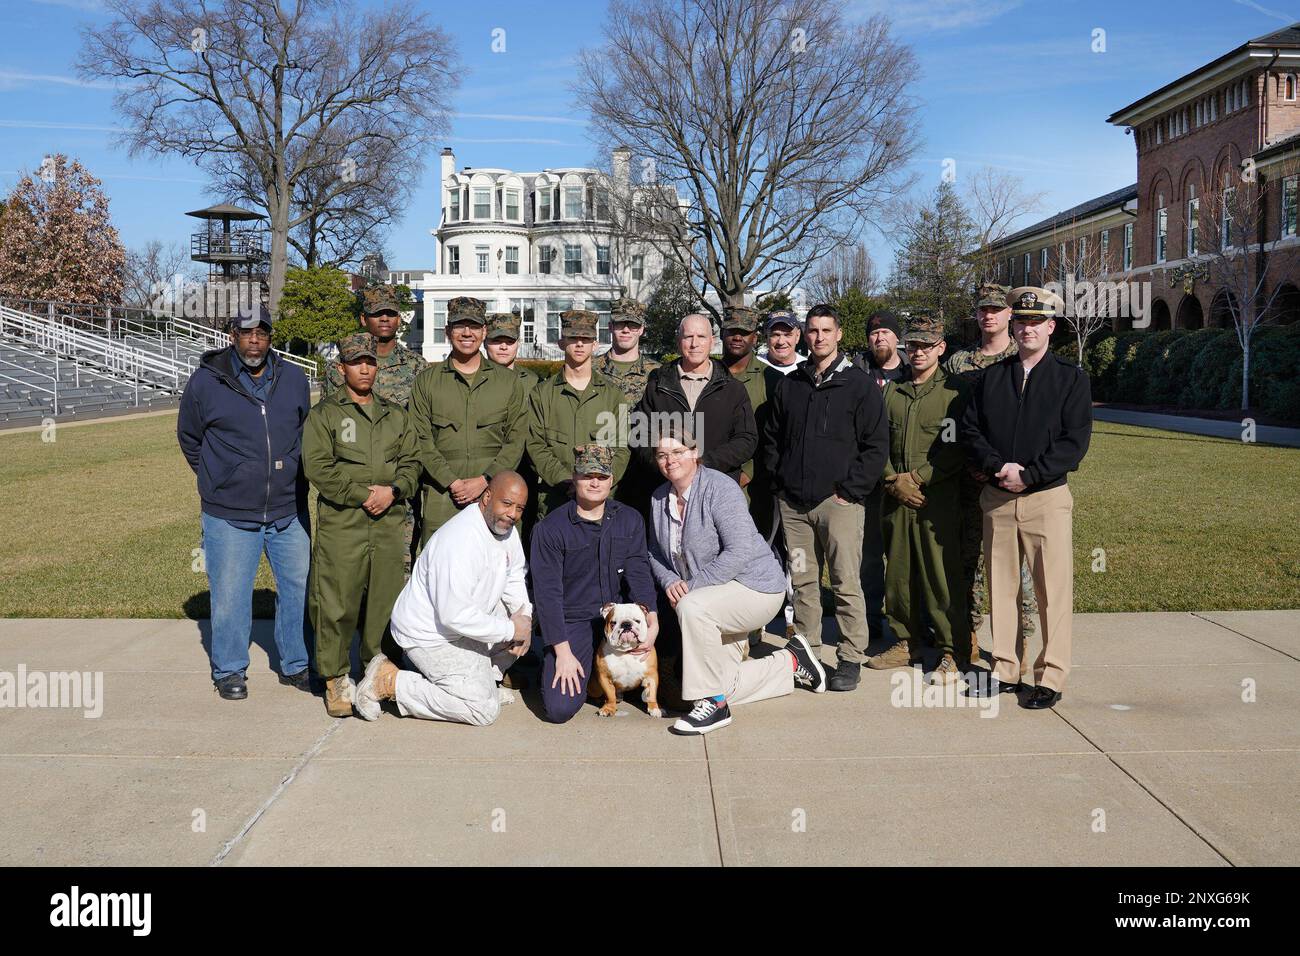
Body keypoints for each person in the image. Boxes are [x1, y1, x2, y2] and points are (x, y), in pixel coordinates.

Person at [961, 287, 1093, 709]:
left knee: (1050, 589)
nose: (1028, 328)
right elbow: (970, 430)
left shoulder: (1071, 379)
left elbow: (1075, 442)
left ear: (1051, 327)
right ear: (1013, 327)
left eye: (1037, 322)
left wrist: (1030, 474)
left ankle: (1050, 676)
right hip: (997, 498)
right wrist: (999, 467)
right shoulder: (992, 377)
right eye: (1021, 321)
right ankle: (1005, 667)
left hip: (1046, 499)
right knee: (1001, 588)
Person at [647, 432, 826, 735]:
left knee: (691, 608)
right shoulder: (658, 497)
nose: (670, 461)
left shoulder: (720, 488)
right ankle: (791, 662)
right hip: (716, 596)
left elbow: (739, 551)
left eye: (677, 451)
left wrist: (691, 587)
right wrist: (670, 581)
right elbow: (654, 551)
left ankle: (714, 707)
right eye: (662, 455)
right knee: (723, 682)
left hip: (755, 587)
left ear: (695, 452)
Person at [177, 304, 312, 700]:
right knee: (231, 593)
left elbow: (305, 431)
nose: (255, 340)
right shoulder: (207, 382)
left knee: (298, 588)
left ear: (271, 337)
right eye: (246, 331)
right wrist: (220, 476)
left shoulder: (293, 378)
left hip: (288, 509)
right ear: (232, 335)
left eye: (263, 332)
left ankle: (296, 663)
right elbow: (190, 437)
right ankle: (230, 670)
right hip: (230, 514)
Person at [762, 303, 888, 692]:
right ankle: (808, 652)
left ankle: (850, 656)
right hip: (795, 508)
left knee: (845, 581)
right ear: (805, 334)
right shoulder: (793, 384)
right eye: (813, 330)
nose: (819, 337)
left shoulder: (859, 385)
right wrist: (781, 483)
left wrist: (849, 493)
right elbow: (772, 438)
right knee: (802, 582)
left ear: (839, 335)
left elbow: (875, 446)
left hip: (838, 507)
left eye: (826, 330)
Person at [353, 472, 533, 725]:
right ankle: (389, 681)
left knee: (521, 615)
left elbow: (514, 574)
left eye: (519, 508)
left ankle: (484, 683)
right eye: (506, 503)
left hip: (465, 623)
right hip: (431, 636)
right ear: (487, 497)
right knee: (483, 711)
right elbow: (454, 617)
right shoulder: (459, 541)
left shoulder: (505, 529)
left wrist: (522, 617)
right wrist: (510, 628)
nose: (512, 514)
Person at [302, 333, 421, 717]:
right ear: (342, 369)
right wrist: (361, 494)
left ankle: (377, 670)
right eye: (356, 363)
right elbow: (319, 467)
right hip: (345, 523)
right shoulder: (325, 415)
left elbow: (412, 461)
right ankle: (335, 678)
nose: (365, 368)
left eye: (370, 361)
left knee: (385, 602)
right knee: (337, 602)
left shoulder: (395, 415)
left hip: (388, 523)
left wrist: (394, 490)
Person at [869, 315, 971, 683]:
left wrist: (919, 478)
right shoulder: (891, 392)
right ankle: (905, 640)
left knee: (940, 576)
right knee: (898, 574)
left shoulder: (954, 393)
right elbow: (875, 439)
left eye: (927, 345)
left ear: (941, 348)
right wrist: (891, 480)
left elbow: (957, 446)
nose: (919, 352)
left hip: (936, 500)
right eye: (912, 345)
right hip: (895, 497)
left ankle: (951, 650)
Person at [529, 445, 660, 724]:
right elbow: (547, 594)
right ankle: (561, 663)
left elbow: (639, 573)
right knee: (559, 709)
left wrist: (651, 619)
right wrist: (562, 652)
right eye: (587, 475)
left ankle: (608, 676)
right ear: (574, 478)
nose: (594, 482)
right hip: (573, 622)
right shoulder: (550, 529)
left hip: (618, 618)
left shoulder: (629, 519)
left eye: (601, 476)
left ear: (611, 480)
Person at [944, 283, 1038, 666]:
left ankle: (1021, 643)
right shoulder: (957, 363)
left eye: (996, 309)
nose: (989, 316)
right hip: (968, 481)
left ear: (1009, 314)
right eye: (983, 309)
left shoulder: (1025, 357)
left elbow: (1033, 422)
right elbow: (951, 423)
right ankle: (965, 636)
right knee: (967, 561)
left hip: (1013, 483)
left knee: (1016, 567)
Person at [407, 296, 527, 543]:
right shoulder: (427, 382)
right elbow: (420, 439)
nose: (466, 333)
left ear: (483, 331)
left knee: (495, 569)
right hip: (443, 494)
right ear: (448, 331)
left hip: (496, 491)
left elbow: (516, 439)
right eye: (459, 326)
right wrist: (451, 482)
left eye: (473, 326)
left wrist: (486, 479)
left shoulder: (508, 382)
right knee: (443, 570)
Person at [325, 286, 428, 573]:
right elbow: (329, 427)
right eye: (376, 313)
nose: (384, 319)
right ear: (363, 319)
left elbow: (419, 432)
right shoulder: (338, 369)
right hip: (352, 486)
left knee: (398, 569)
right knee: (349, 571)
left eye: (391, 313)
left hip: (399, 490)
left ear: (399, 319)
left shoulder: (417, 366)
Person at [526, 309, 628, 518]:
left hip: (602, 504)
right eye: (573, 337)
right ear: (561, 342)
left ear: (595, 344)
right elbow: (535, 446)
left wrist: (598, 484)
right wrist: (567, 481)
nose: (580, 343)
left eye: (586, 338)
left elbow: (622, 448)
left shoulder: (613, 395)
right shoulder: (541, 394)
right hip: (555, 501)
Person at [634, 313, 756, 483]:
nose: (694, 344)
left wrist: (703, 464)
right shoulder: (657, 387)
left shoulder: (733, 389)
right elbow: (640, 435)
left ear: (712, 342)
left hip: (717, 484)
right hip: (667, 485)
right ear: (679, 342)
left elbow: (746, 439)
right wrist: (667, 465)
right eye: (688, 337)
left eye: (701, 337)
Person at [598, 298, 662, 512]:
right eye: (620, 324)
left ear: (641, 329)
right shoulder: (591, 369)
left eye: (632, 325)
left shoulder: (658, 373)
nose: (626, 330)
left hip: (644, 471)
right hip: (601, 470)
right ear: (610, 326)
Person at [485, 312, 540, 392]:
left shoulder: (532, 381)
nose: (503, 347)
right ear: (484, 343)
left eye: (510, 341)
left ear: (518, 343)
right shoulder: (473, 378)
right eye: (496, 341)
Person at [855, 310, 910, 387]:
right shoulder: (854, 371)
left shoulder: (913, 370)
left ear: (897, 338)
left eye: (885, 332)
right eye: (875, 333)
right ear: (868, 341)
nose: (880, 338)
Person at [755, 309, 804, 374]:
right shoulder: (754, 366)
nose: (781, 342)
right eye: (775, 335)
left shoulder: (807, 368)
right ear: (766, 336)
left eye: (787, 335)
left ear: (797, 336)